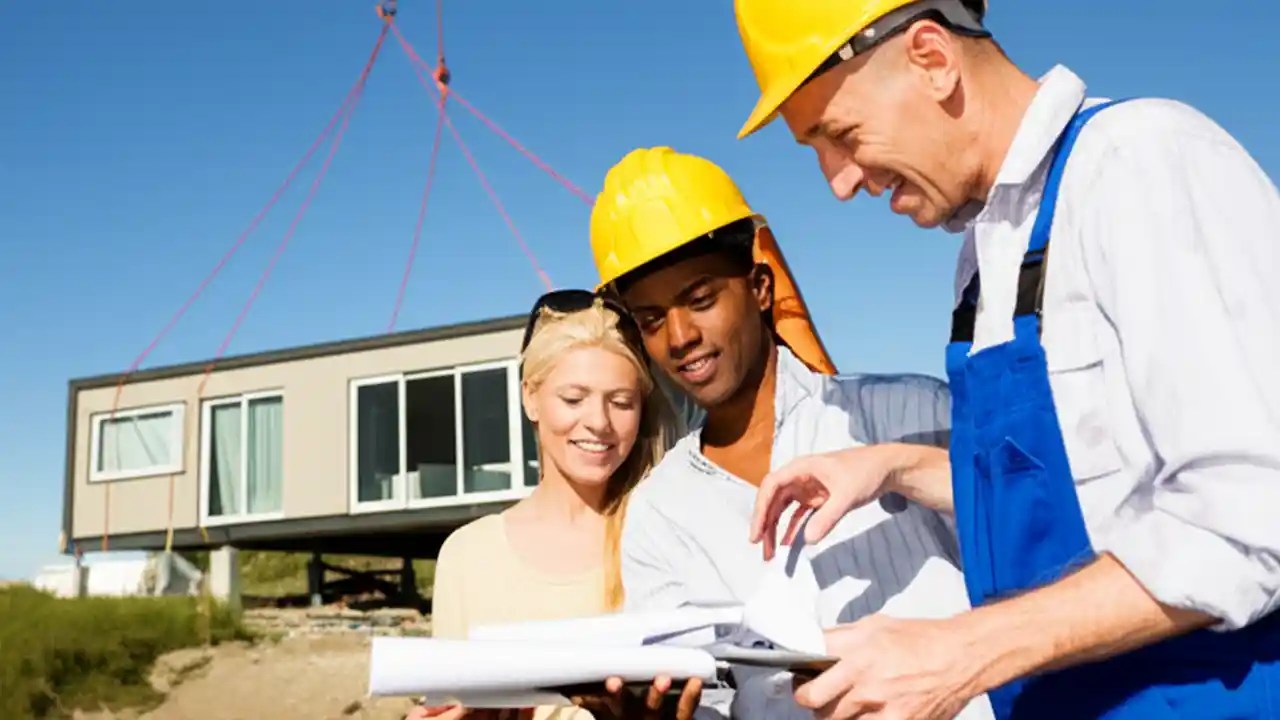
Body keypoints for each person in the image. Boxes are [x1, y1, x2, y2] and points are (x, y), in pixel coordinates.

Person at [731, 1, 1280, 718]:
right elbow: (1085, 489)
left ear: (931, 58)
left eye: (840, 134)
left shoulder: (1140, 164)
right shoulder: (986, 260)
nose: (838, 181)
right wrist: (890, 465)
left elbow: (1251, 517)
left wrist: (960, 652)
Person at [589, 146, 994, 720]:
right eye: (651, 319)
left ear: (758, 288)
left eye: (700, 299)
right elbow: (701, 704)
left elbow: (1040, 553)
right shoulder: (661, 512)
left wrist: (900, 467)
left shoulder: (909, 414)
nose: (678, 336)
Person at [411, 289, 694, 720]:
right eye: (574, 398)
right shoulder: (466, 556)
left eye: (621, 402)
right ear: (530, 397)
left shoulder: (668, 539)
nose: (598, 422)